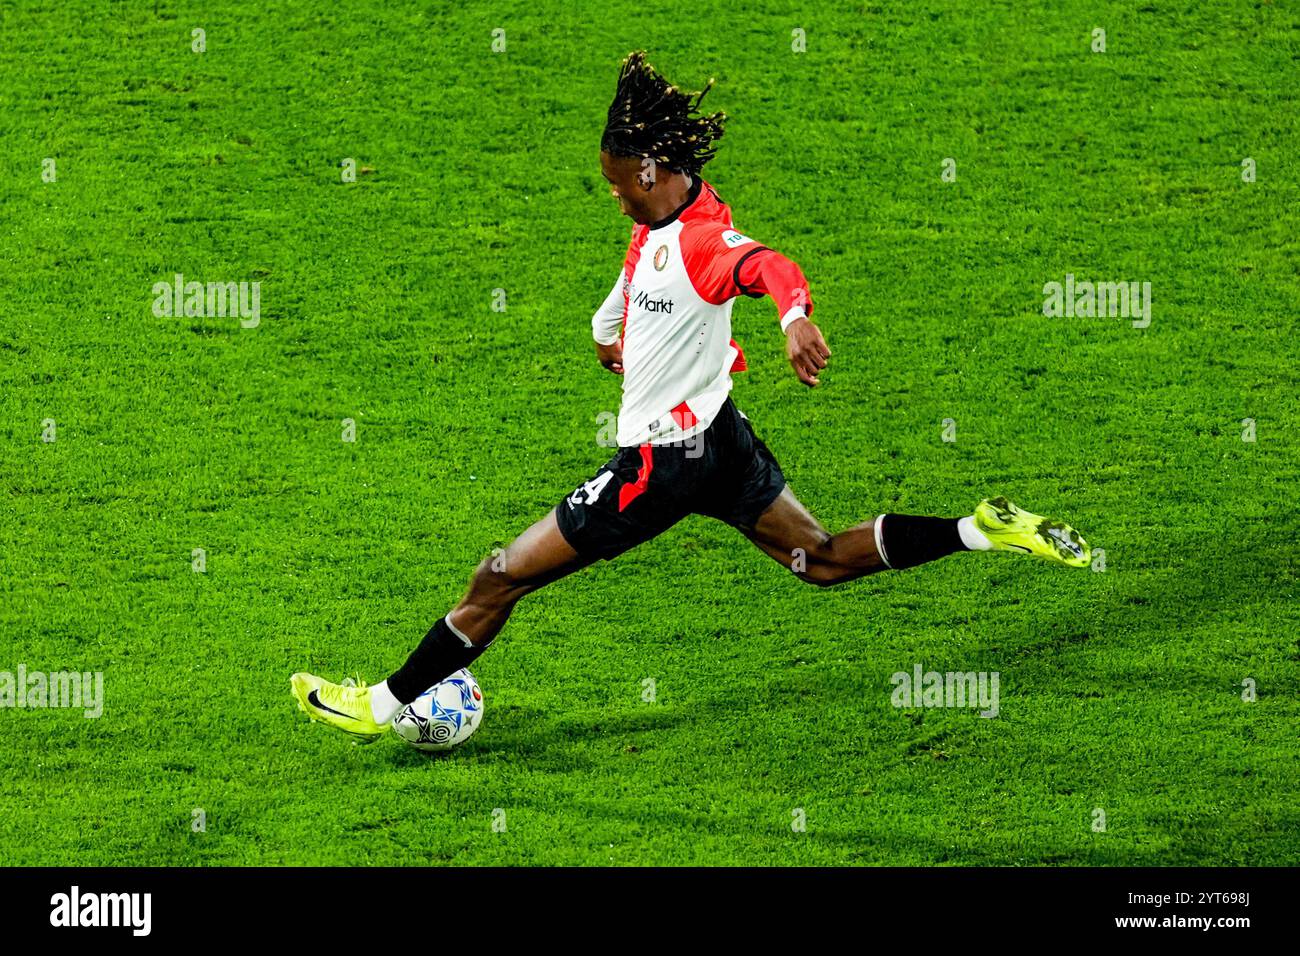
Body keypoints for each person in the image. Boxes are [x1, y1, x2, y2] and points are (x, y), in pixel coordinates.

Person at [291, 51, 1090, 743]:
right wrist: (613, 337)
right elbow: (632, 286)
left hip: (660, 465)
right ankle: (980, 530)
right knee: (817, 560)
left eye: (616, 185)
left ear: (652, 172)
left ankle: (381, 705)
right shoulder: (666, 215)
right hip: (722, 439)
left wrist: (796, 317)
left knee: (500, 576)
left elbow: (767, 266)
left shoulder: (705, 240)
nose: (613, 197)